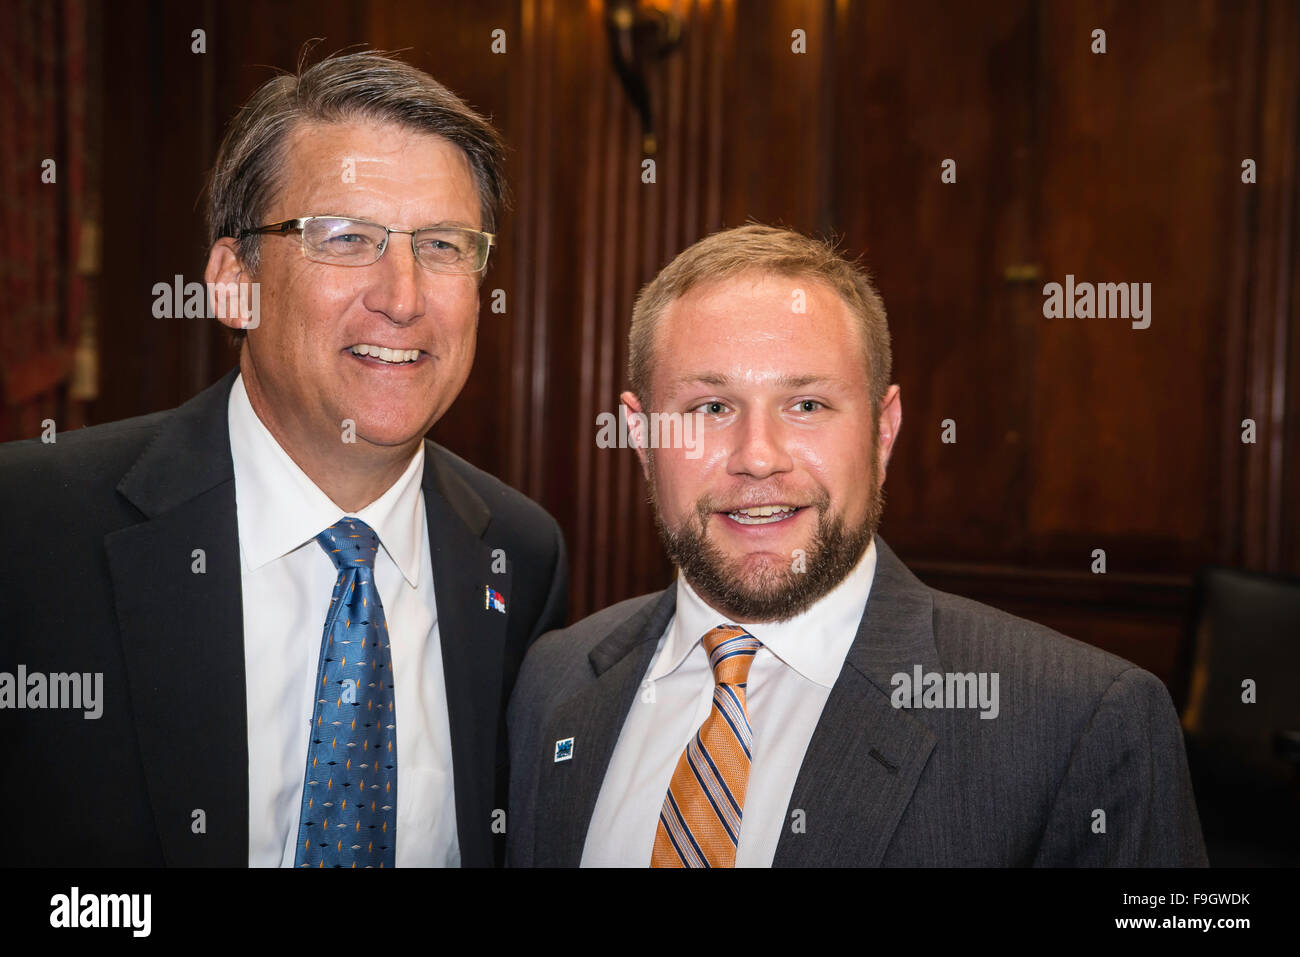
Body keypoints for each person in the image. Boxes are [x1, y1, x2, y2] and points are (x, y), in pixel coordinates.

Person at [0, 51, 567, 868]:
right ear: (234, 282)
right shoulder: (33, 527)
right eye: (346, 238)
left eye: (443, 245)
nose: (402, 295)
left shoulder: (522, 554)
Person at [507, 224, 1206, 867]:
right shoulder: (554, 682)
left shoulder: (1079, 724)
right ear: (641, 434)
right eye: (711, 407)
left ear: (883, 429)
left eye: (807, 404)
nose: (758, 457)